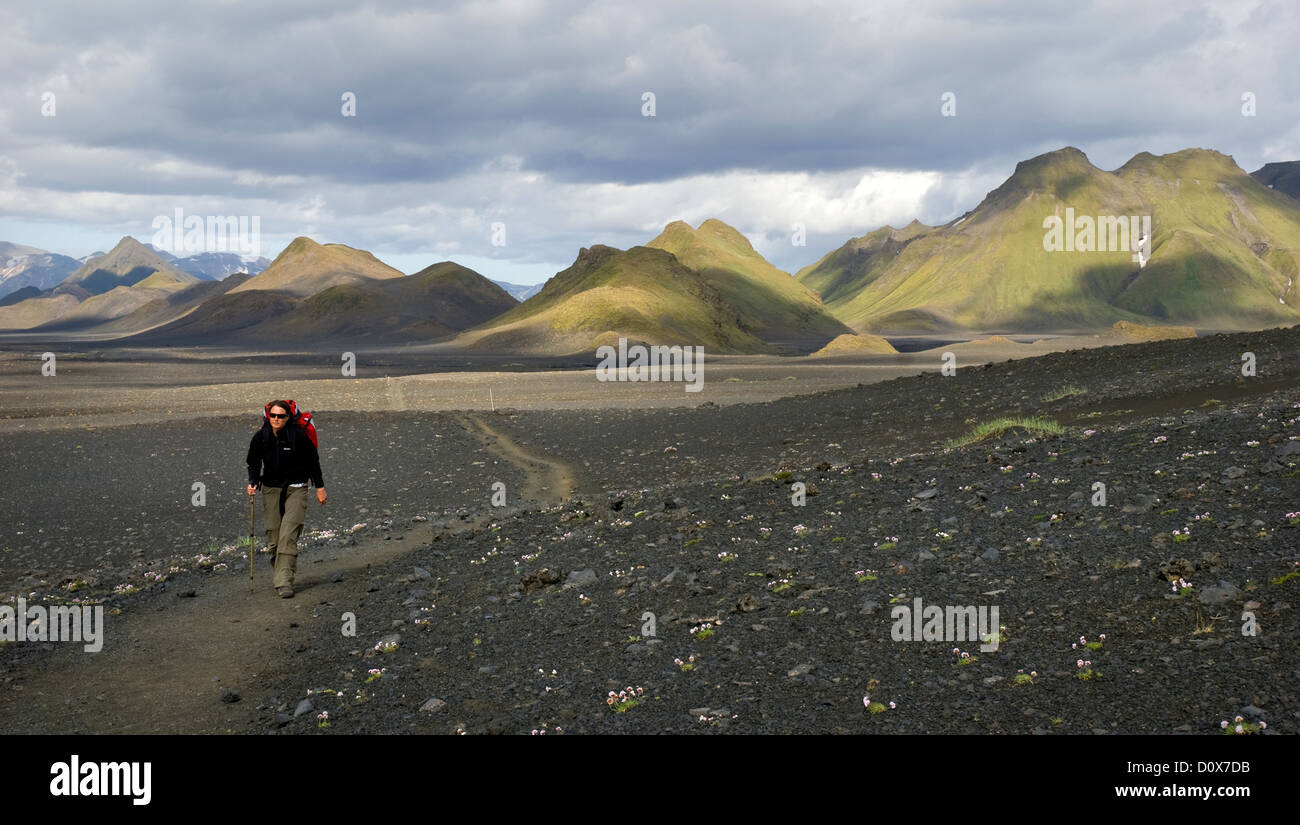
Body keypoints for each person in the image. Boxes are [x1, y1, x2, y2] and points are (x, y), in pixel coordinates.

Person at [246, 400, 326, 598]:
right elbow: (253, 462)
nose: (276, 419)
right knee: (273, 537)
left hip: (297, 488)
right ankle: (281, 573)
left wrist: (320, 487)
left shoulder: (298, 436)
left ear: (288, 418)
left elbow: (313, 461)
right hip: (271, 488)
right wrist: (253, 481)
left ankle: (284, 582)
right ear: (268, 417)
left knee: (288, 534)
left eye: (280, 416)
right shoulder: (260, 437)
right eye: (272, 415)